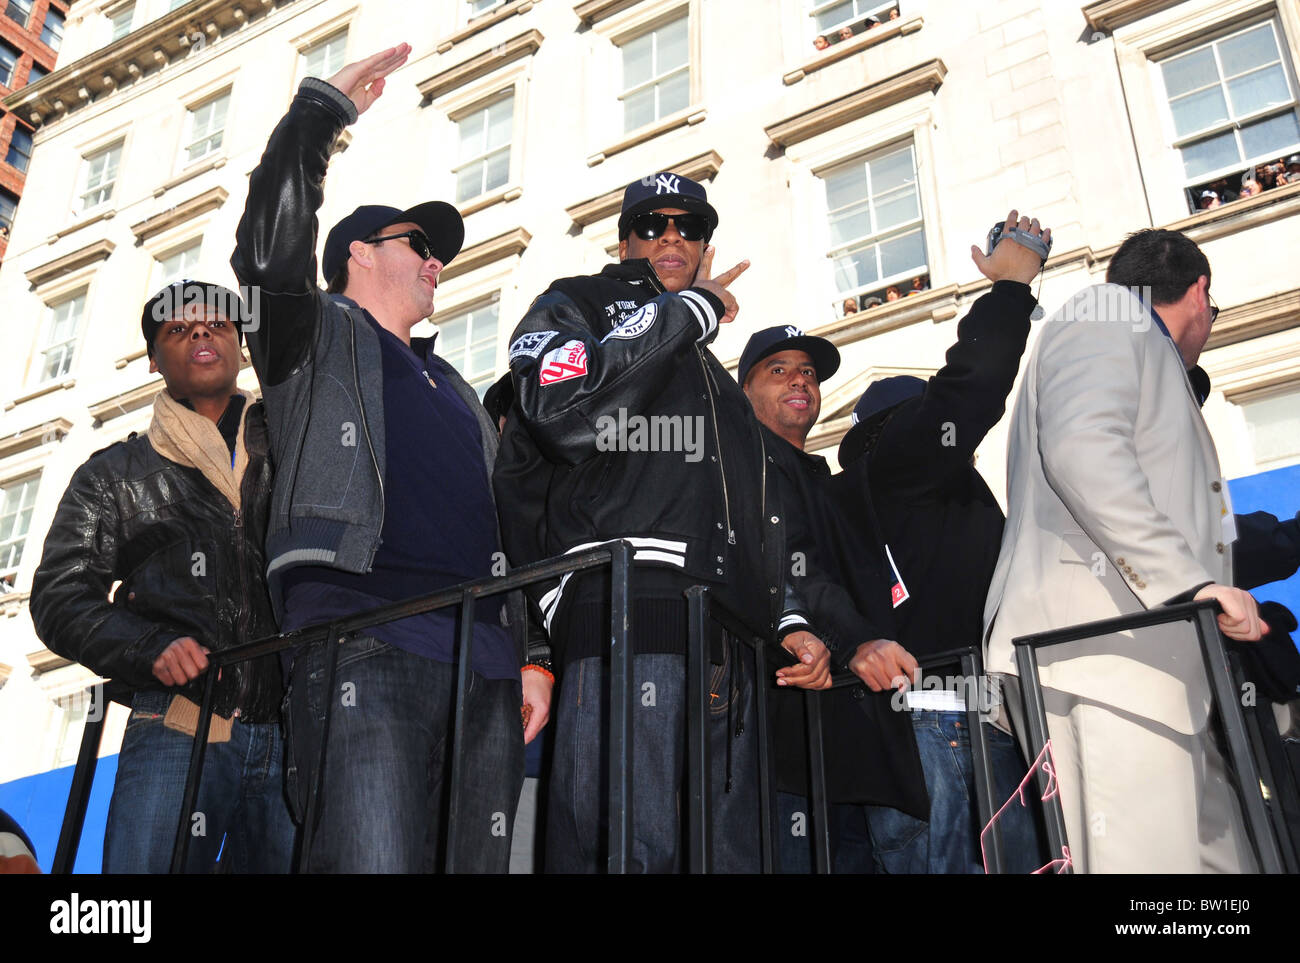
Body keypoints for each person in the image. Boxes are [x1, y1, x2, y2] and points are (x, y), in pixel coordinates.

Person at [230, 44, 530, 873]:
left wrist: (531, 655)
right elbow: (265, 257)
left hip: (486, 664)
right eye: (417, 242)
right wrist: (321, 112)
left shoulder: (458, 388)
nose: (437, 260)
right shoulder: (312, 337)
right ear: (357, 253)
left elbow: (510, 521)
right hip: (364, 638)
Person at [494, 171, 832, 873]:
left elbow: (757, 508)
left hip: (730, 640)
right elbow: (564, 411)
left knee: (726, 859)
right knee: (625, 849)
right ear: (624, 241)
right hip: (625, 614)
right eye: (652, 224)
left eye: (690, 227)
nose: (673, 237)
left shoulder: (710, 374)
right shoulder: (577, 303)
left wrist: (789, 617)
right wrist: (687, 313)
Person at [983, 228, 1265, 873]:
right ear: (1200, 293)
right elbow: (1084, 449)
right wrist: (1185, 584)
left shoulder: (1130, 338)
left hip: (1151, 661)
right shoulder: (1108, 314)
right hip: (1110, 649)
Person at [30, 280, 294, 874]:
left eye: (218, 325)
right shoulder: (112, 474)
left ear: (241, 347)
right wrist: (150, 646)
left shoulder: (296, 446)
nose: (200, 332)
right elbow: (59, 596)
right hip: (176, 726)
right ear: (153, 360)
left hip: (296, 731)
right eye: (178, 329)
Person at [833, 212, 1049, 873]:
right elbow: (973, 386)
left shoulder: (924, 491)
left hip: (960, 721)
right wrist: (1012, 288)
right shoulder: (902, 464)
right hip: (942, 728)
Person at [738, 326, 929, 873]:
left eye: (809, 373)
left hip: (851, 746)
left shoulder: (823, 478)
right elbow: (790, 566)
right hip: (783, 748)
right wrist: (857, 641)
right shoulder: (745, 469)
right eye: (779, 370)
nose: (800, 379)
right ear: (743, 391)